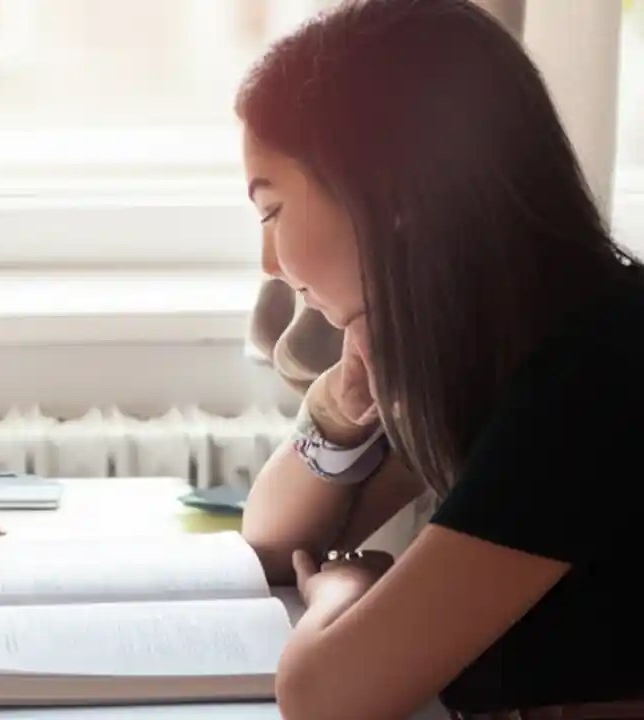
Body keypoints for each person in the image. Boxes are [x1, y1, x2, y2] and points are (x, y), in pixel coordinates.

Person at [233, 1, 644, 718]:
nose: (272, 264)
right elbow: (270, 539)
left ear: (388, 197)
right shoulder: (489, 330)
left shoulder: (591, 370)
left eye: (271, 213)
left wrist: (344, 591)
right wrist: (335, 414)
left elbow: (324, 697)